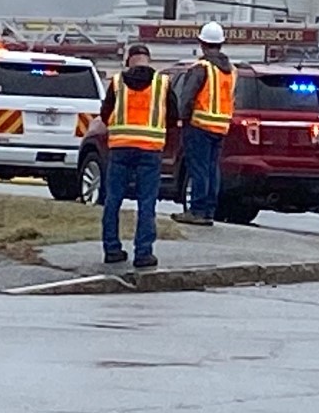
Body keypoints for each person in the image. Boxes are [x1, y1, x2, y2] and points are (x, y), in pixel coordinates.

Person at [98, 44, 171, 267]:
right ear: (148, 60)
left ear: (129, 61)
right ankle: (143, 253)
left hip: (120, 148)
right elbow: (173, 114)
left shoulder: (118, 82)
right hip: (150, 150)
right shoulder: (162, 83)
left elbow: (105, 113)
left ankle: (112, 249)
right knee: (146, 202)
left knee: (113, 199)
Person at [171, 20, 235, 226]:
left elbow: (188, 96)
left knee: (198, 168)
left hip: (199, 125)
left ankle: (197, 210)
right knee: (211, 169)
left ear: (202, 43)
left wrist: (183, 118)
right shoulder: (230, 70)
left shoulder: (201, 68)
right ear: (221, 44)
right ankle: (208, 210)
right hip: (221, 127)